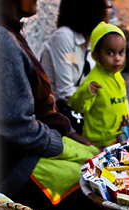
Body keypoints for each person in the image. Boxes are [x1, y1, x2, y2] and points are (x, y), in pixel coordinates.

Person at [0, 0, 107, 210]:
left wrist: (69, 136)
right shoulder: (1, 39)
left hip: (40, 138)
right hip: (18, 164)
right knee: (92, 182)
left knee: (96, 158)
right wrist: (61, 144)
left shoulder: (10, 31)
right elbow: (18, 126)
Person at [40, 0, 109, 134]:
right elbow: (65, 92)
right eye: (107, 8)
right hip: (59, 119)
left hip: (79, 111)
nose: (109, 14)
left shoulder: (90, 40)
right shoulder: (64, 37)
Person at [70, 22, 129, 148]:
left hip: (120, 137)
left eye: (121, 52)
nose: (117, 58)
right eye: (110, 53)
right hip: (100, 143)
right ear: (96, 56)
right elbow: (76, 106)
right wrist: (86, 92)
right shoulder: (93, 81)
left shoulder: (117, 75)